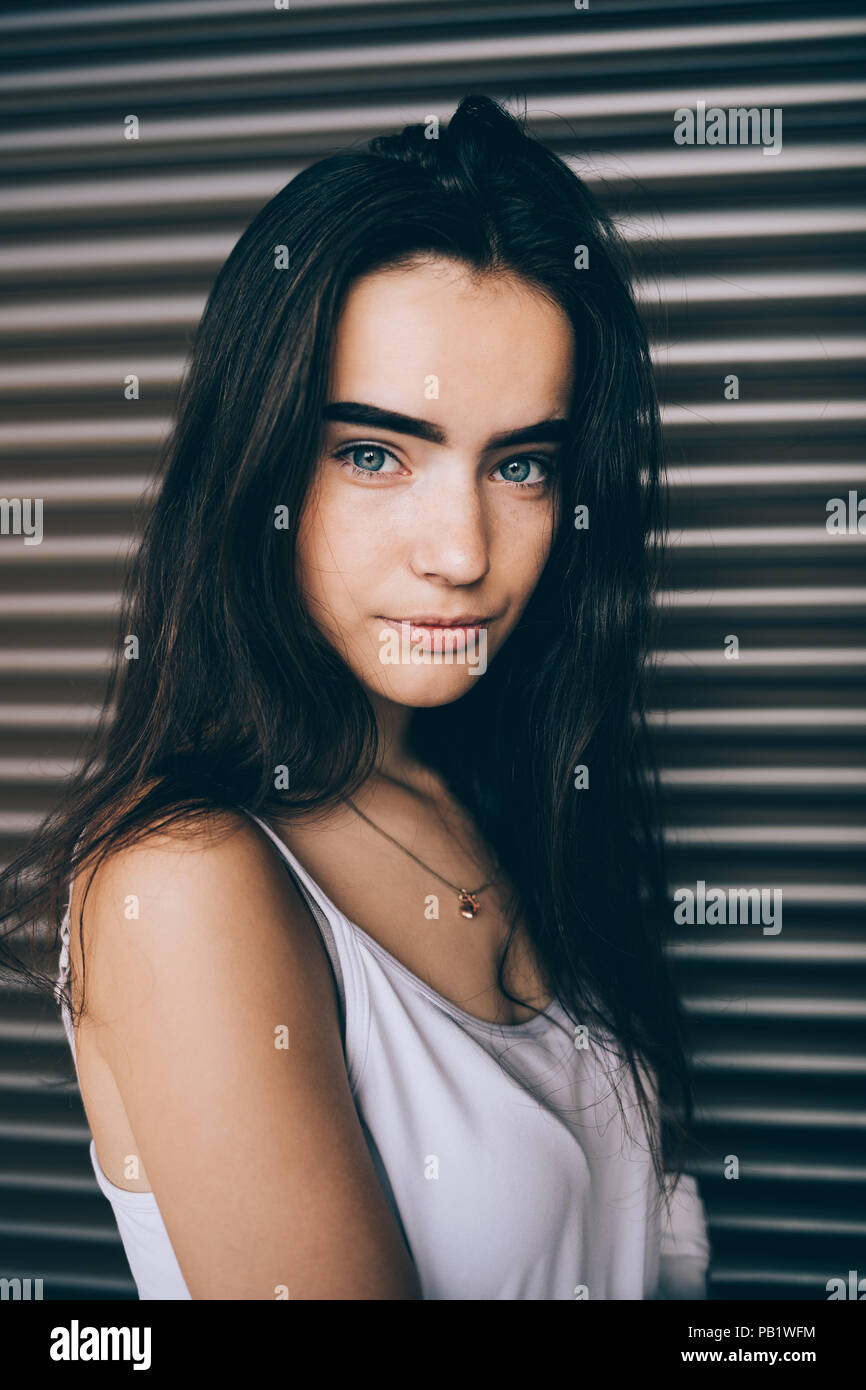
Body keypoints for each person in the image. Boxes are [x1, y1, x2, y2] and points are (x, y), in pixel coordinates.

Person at [1, 94, 710, 1299]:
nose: (462, 551)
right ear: (259, 463)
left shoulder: (500, 788)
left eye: (520, 463)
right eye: (374, 453)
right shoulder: (184, 882)